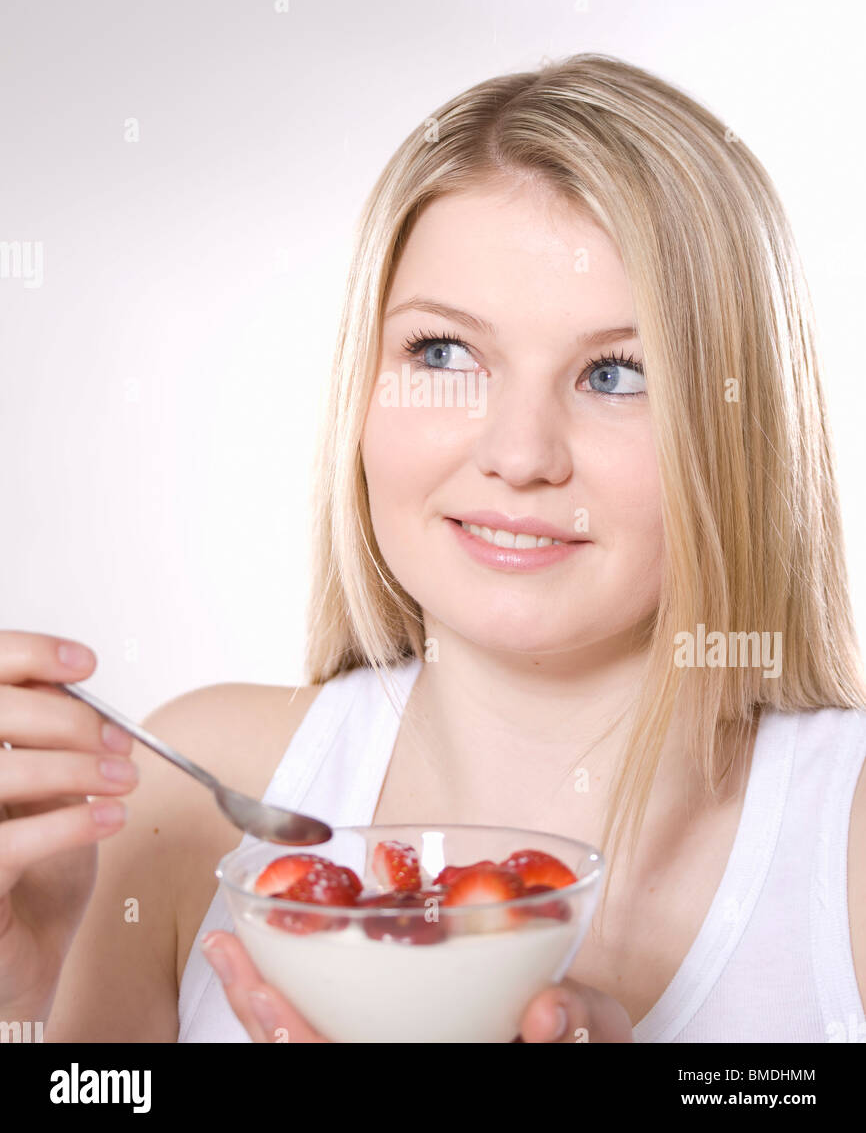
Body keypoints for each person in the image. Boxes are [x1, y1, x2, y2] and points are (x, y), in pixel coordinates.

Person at [3, 53, 864, 1044]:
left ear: (741, 428)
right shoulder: (179, 807)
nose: (518, 454)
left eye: (619, 372)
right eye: (443, 354)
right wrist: (23, 1008)